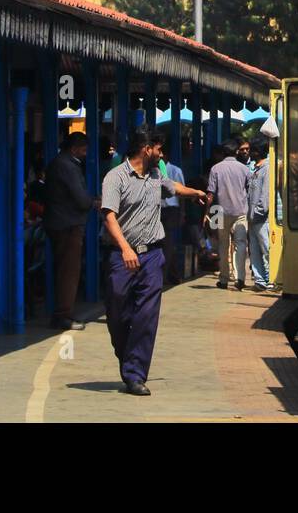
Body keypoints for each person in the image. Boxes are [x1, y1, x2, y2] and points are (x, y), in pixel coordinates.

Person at [101, 126, 205, 395]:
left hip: (152, 255)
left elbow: (175, 188)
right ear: (146, 149)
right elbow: (109, 216)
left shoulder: (157, 175)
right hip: (122, 256)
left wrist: (195, 193)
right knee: (117, 314)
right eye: (158, 149)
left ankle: (135, 374)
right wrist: (125, 248)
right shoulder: (115, 178)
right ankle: (127, 356)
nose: (161, 155)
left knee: (146, 315)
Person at [43, 132, 97, 331]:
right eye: (84, 150)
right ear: (75, 148)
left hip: (61, 223)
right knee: (69, 272)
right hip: (67, 225)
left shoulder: (61, 163)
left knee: (65, 270)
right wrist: (93, 202)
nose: (85, 154)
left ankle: (63, 313)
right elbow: (81, 199)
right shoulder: (67, 166)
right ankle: (63, 316)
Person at [206, 139, 252, 291]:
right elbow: (250, 190)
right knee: (240, 244)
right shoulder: (244, 169)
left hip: (220, 212)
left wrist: (206, 213)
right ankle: (239, 279)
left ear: (223, 153)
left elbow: (210, 194)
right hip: (241, 212)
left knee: (223, 246)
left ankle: (224, 279)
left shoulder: (215, 169)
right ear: (237, 152)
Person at [245, 137, 273, 292]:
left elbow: (265, 196)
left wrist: (257, 212)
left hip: (261, 219)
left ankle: (270, 279)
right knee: (255, 251)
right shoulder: (255, 169)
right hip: (253, 218)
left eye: (251, 150)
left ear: (258, 151)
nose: (249, 153)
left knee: (266, 249)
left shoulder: (267, 169)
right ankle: (260, 280)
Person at [159, 153, 187, 285]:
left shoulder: (175, 170)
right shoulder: (153, 170)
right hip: (158, 209)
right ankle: (173, 274)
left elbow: (182, 192)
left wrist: (182, 213)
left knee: (168, 243)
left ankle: (166, 275)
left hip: (171, 209)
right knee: (165, 244)